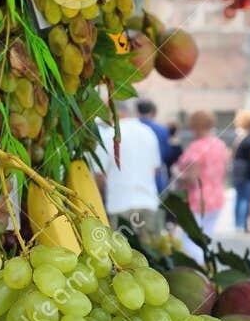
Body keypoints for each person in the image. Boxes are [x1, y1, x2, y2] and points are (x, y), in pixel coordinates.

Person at [95, 99, 162, 239]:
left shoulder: (109, 134)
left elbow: (100, 175)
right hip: (148, 202)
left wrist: (100, 197)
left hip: (119, 205)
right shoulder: (148, 132)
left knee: (122, 256)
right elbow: (156, 169)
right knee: (148, 256)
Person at [172, 110, 229, 251]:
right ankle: (206, 269)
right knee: (206, 238)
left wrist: (176, 175)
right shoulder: (220, 144)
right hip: (216, 197)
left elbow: (192, 178)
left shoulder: (197, 147)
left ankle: (199, 270)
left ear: (195, 126)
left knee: (191, 242)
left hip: (196, 200)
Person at [136, 97, 172, 191]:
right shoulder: (162, 129)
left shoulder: (133, 129)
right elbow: (166, 153)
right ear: (152, 111)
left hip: (137, 174)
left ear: (137, 111)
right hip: (157, 175)